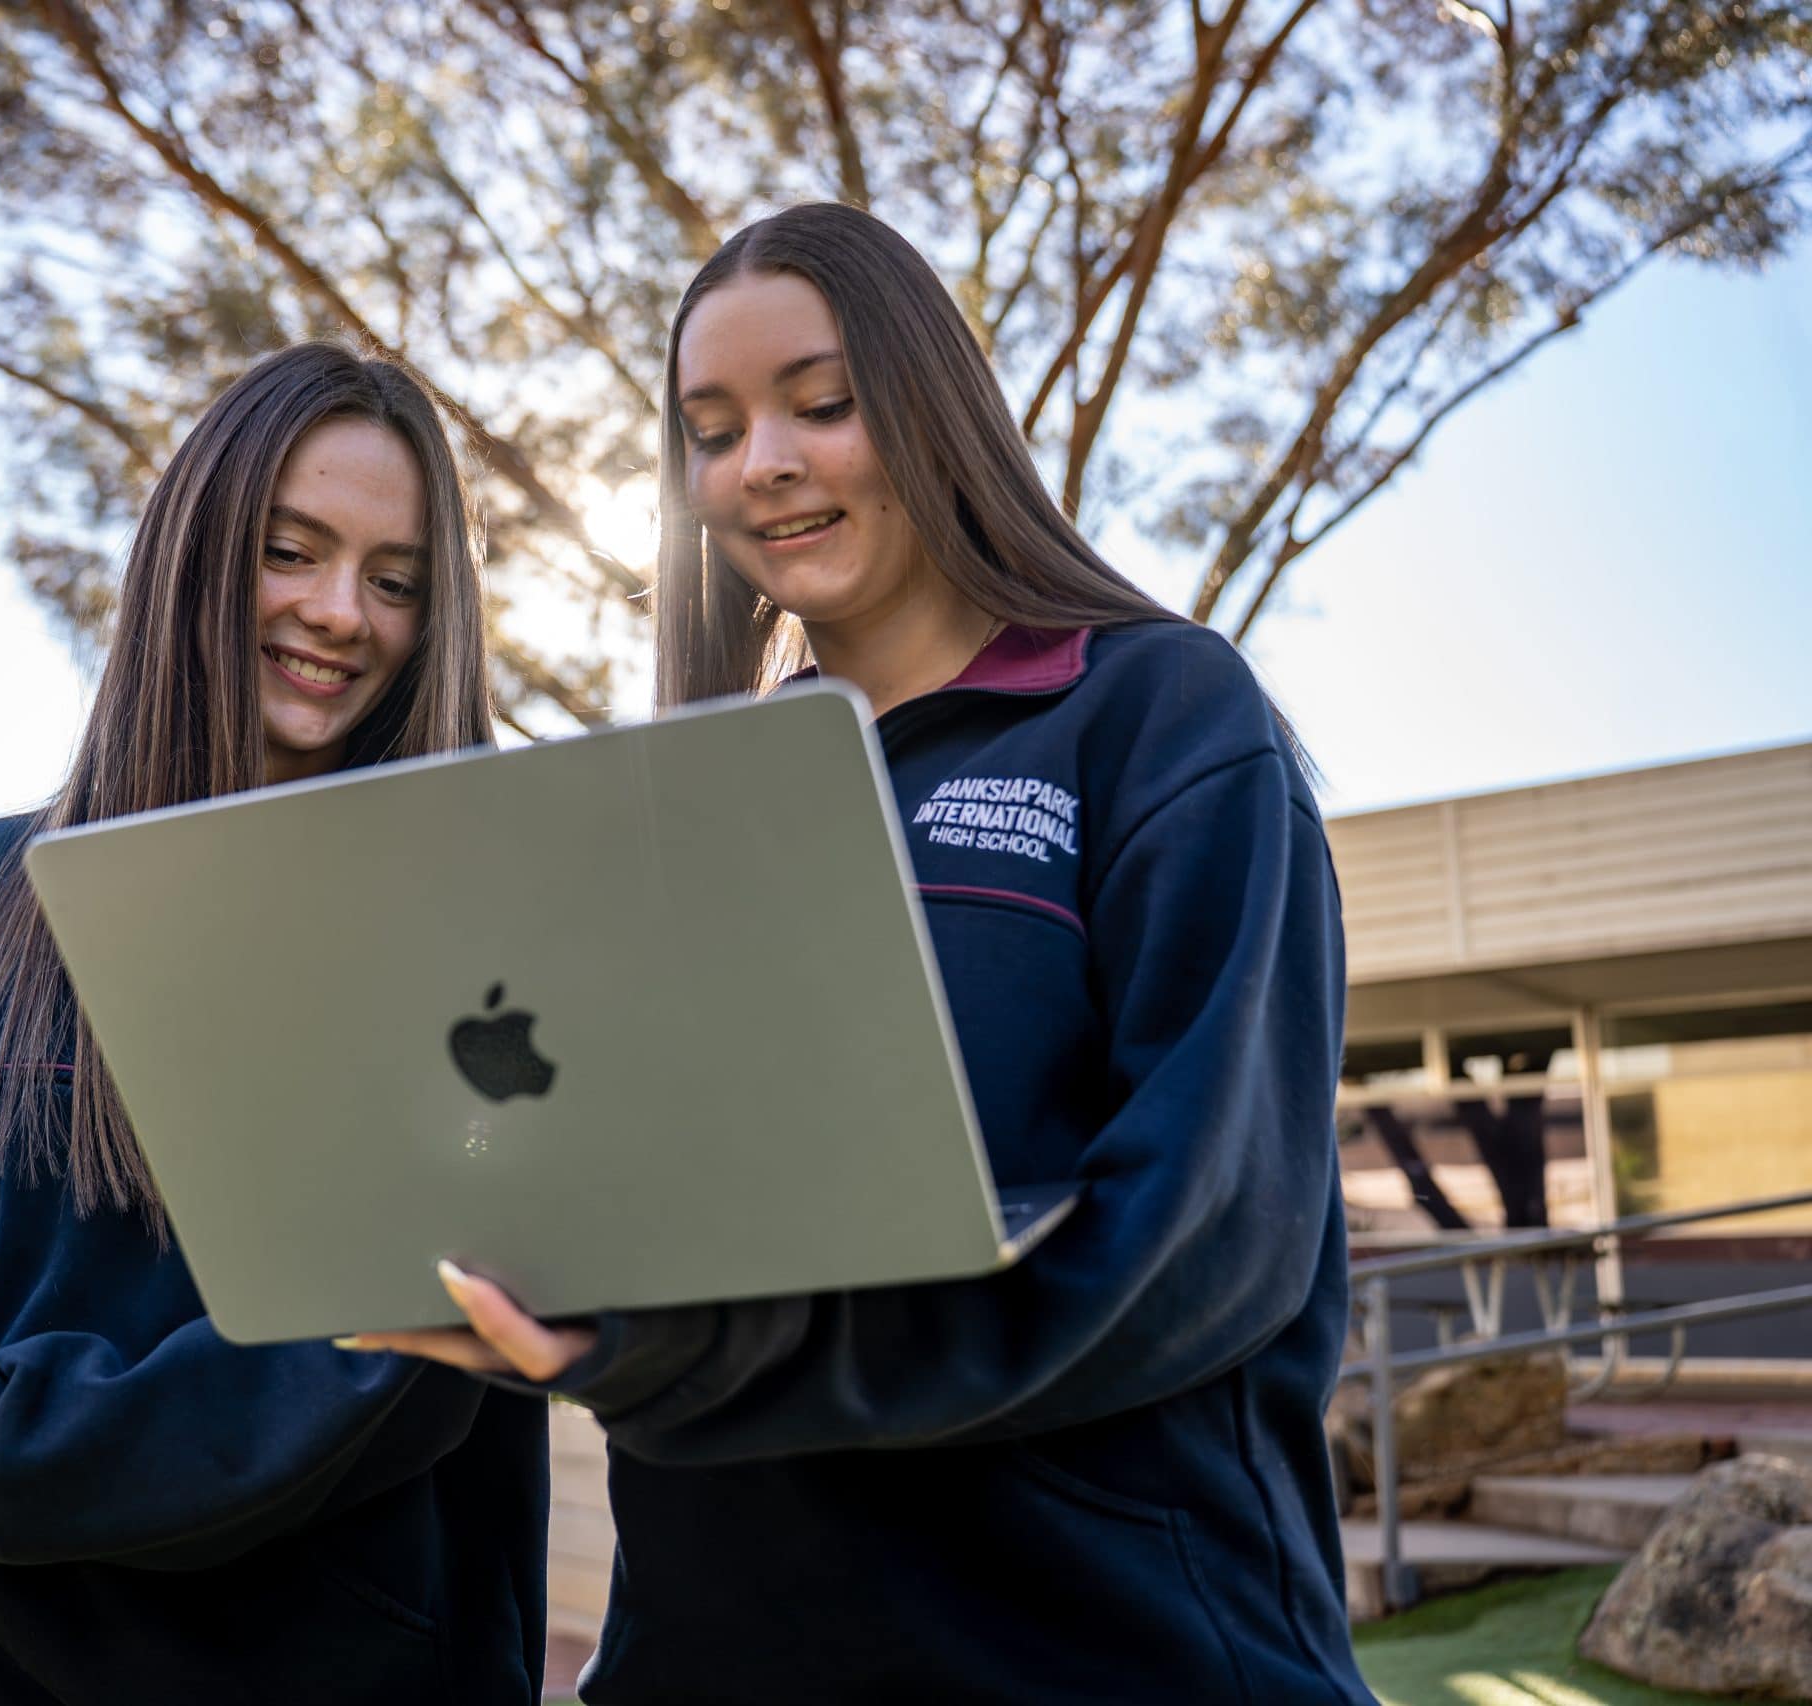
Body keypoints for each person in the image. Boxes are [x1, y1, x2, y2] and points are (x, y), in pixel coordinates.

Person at [352, 204, 1377, 1703]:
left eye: (821, 403)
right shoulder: (670, 808)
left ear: (932, 401)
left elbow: (1203, 1239)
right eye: (711, 429)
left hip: (1105, 1653)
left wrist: (691, 1351)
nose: (760, 462)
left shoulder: (1162, 719)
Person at [0, 341, 550, 1703]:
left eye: (396, 580)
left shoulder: (470, 931)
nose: (343, 611)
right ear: (193, 557)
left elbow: (372, 1369)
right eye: (292, 550)